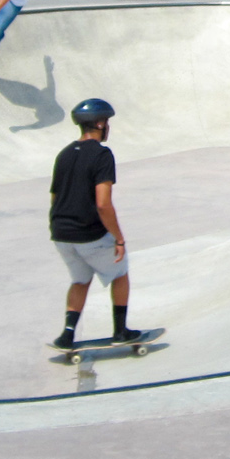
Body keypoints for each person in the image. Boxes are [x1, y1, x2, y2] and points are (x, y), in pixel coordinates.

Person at [47, 97, 144, 350]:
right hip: (87, 233)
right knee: (121, 272)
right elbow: (103, 203)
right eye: (108, 122)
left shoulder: (65, 154)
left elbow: (55, 197)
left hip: (60, 234)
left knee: (80, 280)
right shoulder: (102, 155)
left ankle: (67, 335)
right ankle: (121, 331)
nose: (108, 127)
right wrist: (119, 239)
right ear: (100, 123)